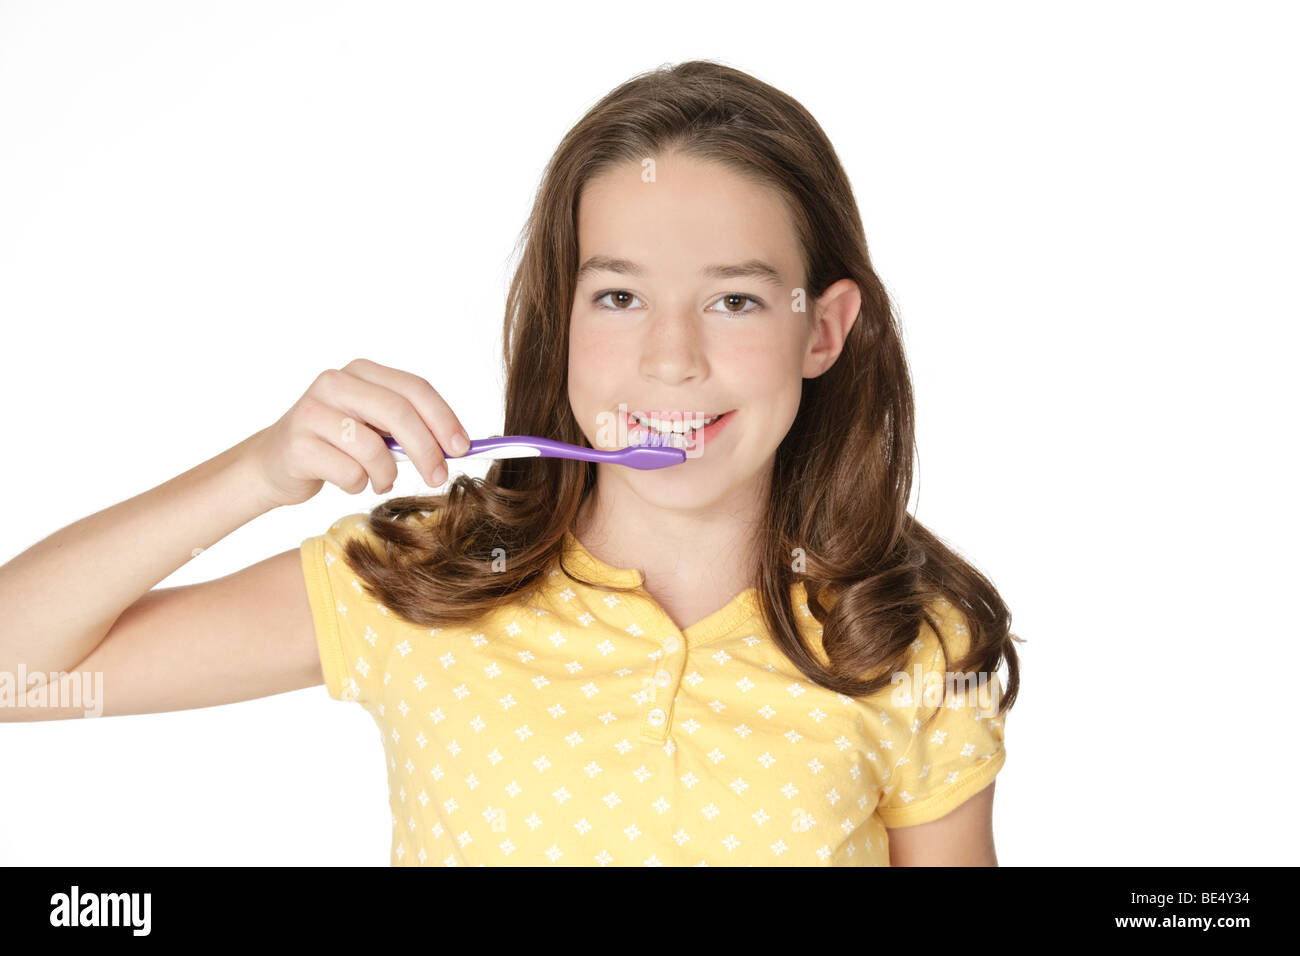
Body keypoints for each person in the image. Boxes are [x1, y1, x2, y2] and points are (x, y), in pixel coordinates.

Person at [0, 59, 1021, 866]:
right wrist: (255, 473)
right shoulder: (424, 580)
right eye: (617, 296)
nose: (670, 357)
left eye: (734, 299)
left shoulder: (910, 639)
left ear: (823, 330)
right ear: (561, 319)